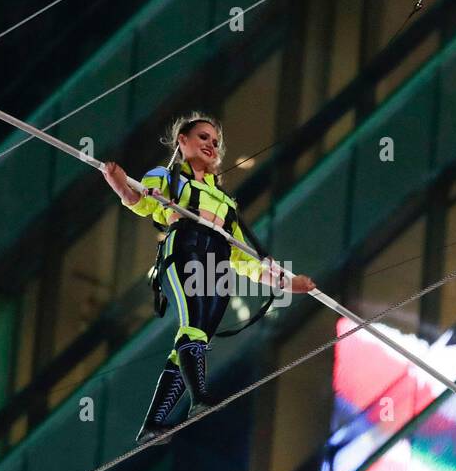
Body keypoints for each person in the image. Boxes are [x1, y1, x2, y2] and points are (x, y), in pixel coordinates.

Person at [103, 113, 315, 444]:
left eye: (215, 142)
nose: (211, 145)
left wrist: (292, 285)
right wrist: (118, 182)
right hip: (184, 251)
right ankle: (199, 397)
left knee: (196, 336)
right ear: (182, 141)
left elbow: (247, 261)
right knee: (192, 327)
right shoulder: (167, 178)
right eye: (203, 137)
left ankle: (154, 424)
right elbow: (138, 200)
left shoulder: (226, 202)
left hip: (218, 269)